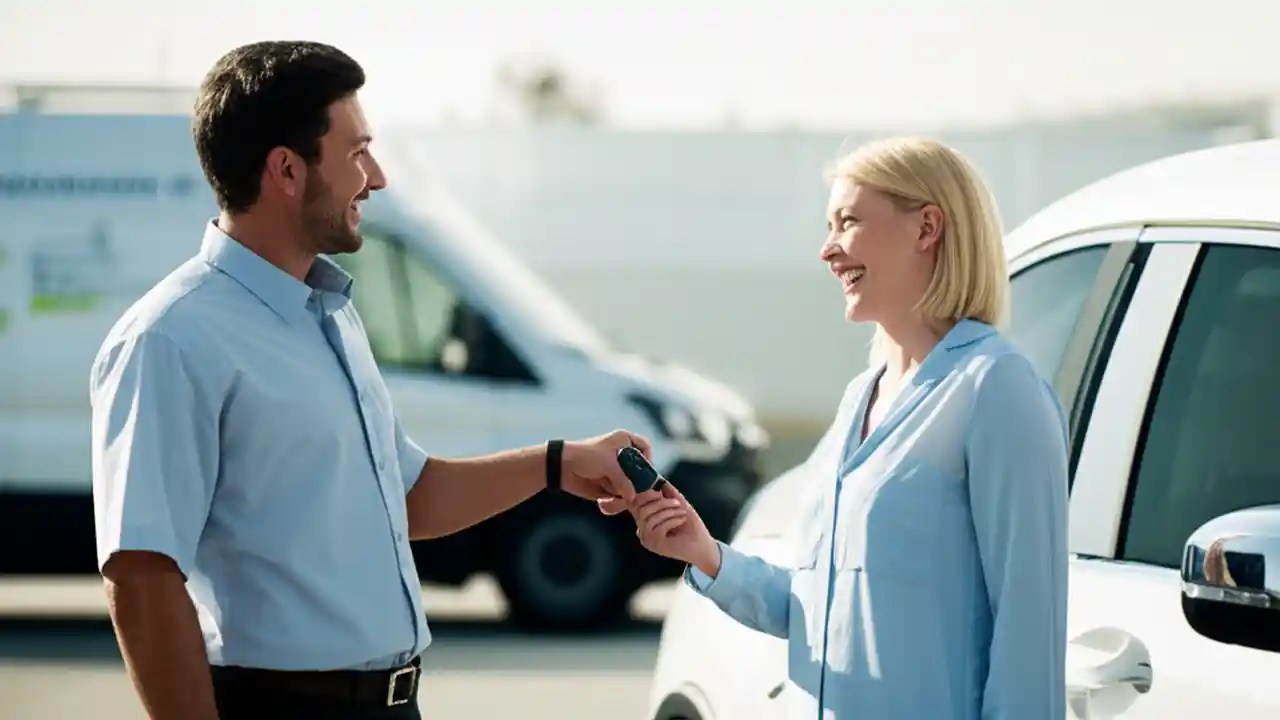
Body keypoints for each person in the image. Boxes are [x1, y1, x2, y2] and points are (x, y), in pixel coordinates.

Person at [89, 40, 648, 720]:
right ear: (287, 171)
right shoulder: (170, 339)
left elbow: (409, 494)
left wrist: (558, 464)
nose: (376, 176)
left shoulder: (331, 316)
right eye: (357, 152)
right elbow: (141, 577)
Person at [624, 137, 1069, 718]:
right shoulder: (862, 395)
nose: (828, 250)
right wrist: (706, 553)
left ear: (926, 227)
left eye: (848, 222)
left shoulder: (996, 388)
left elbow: (1028, 636)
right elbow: (816, 609)